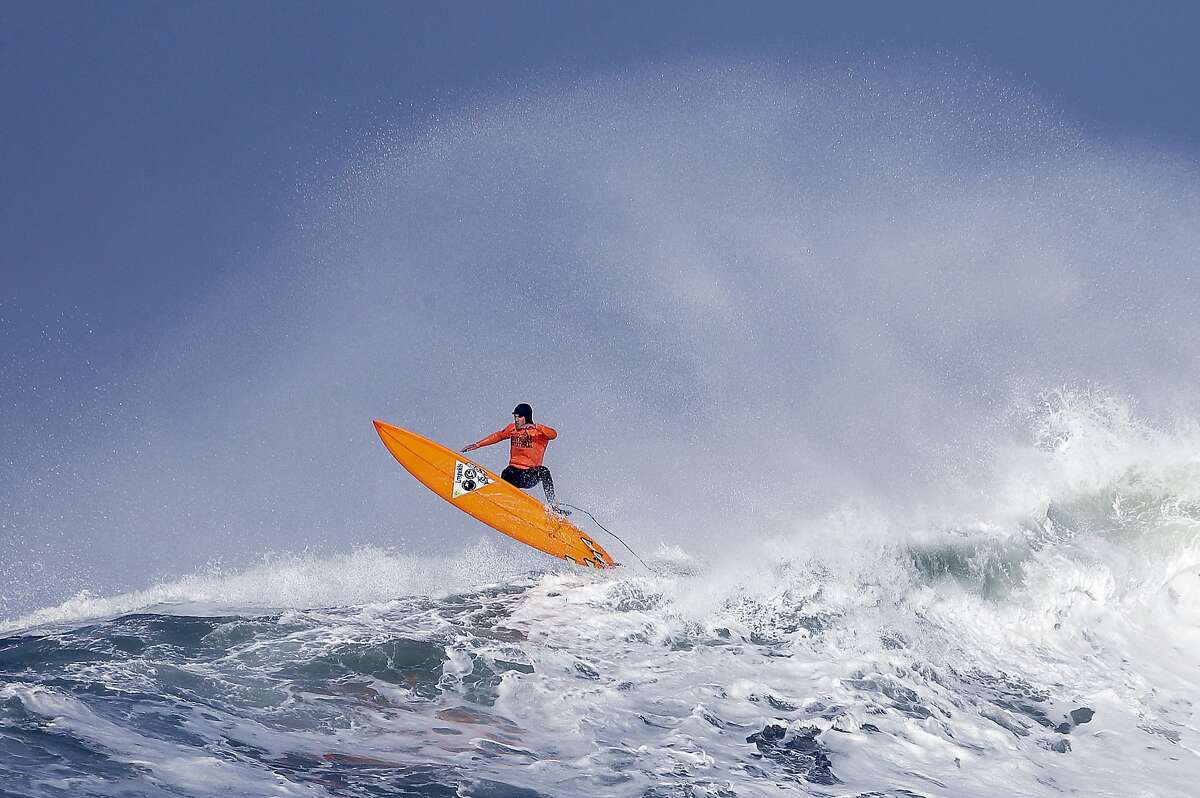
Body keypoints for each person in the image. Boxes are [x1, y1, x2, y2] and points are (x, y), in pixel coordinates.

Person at [462, 403, 564, 509]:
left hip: (529, 475)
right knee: (506, 472)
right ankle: (502, 501)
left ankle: (553, 506)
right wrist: (477, 445)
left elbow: (554, 434)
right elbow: (498, 436)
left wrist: (537, 427)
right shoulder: (512, 429)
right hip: (513, 474)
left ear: (527, 417)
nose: (516, 420)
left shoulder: (538, 433)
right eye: (515, 417)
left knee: (544, 471)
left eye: (519, 417)